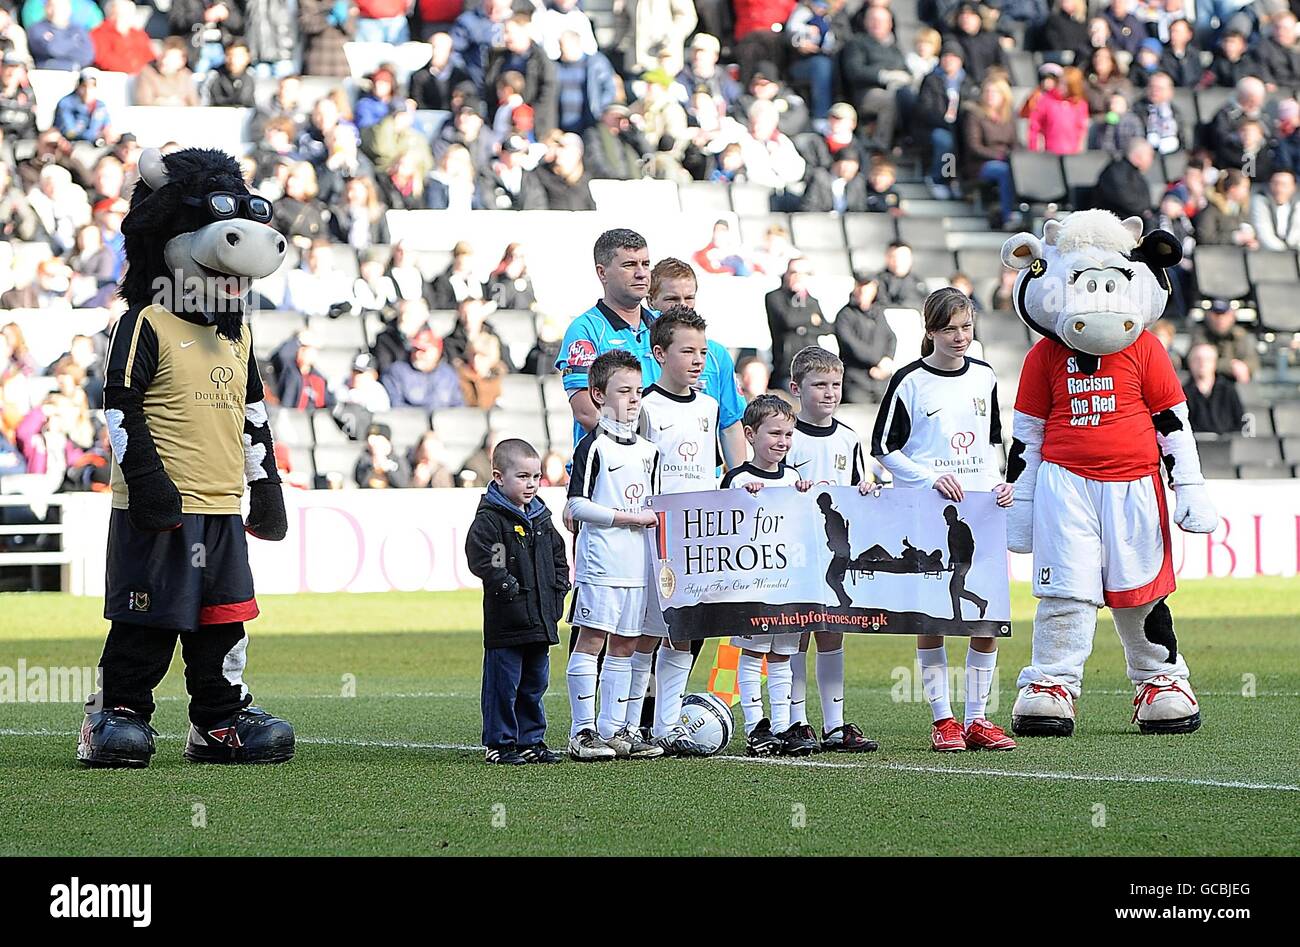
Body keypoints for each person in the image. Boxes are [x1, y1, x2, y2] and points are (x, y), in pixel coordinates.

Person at [870, 287, 1017, 752]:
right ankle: (944, 719)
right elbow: (883, 449)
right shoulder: (908, 380)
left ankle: (977, 719)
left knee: (985, 617)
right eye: (949, 328)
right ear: (930, 331)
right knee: (932, 615)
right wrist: (931, 478)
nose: (959, 337)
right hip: (927, 510)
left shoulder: (985, 376)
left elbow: (994, 440)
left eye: (966, 327)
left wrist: (1003, 482)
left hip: (982, 508)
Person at [628, 307, 723, 756]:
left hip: (697, 537)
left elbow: (710, 469)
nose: (698, 359)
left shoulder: (709, 407)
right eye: (688, 350)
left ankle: (667, 726)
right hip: (655, 534)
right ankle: (629, 724)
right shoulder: (645, 406)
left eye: (703, 351)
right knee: (646, 630)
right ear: (659, 352)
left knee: (682, 630)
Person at [564, 350, 665, 761]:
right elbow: (575, 506)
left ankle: (615, 729)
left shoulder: (649, 451)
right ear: (598, 395)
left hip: (637, 566)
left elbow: (655, 506)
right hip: (602, 563)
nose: (633, 399)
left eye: (637, 391)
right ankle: (581, 731)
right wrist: (628, 518)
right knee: (592, 641)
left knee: (626, 645)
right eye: (623, 391)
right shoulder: (594, 447)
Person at [784, 346, 879, 751]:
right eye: (819, 385)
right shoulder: (787, 436)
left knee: (833, 633)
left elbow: (863, 484)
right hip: (793, 552)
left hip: (834, 553)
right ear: (796, 388)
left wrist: (869, 487)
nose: (829, 393)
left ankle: (835, 724)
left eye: (835, 384)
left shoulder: (848, 437)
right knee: (795, 635)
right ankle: (795, 720)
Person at [722, 395, 819, 757]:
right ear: (750, 434)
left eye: (789, 434)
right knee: (752, 651)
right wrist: (742, 501)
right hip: (752, 584)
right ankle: (755, 726)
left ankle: (783, 724)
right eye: (774, 433)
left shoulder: (794, 478)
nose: (782, 441)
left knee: (782, 653)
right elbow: (721, 527)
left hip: (789, 581)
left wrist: (806, 496)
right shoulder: (737, 478)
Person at [466, 437, 570, 765]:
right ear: (498, 477)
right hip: (507, 620)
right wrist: (506, 585)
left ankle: (532, 740)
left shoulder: (540, 517)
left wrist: (558, 588)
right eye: (522, 477)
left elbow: (557, 556)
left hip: (540, 618)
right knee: (503, 684)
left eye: (535, 477)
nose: (531, 484)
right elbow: (483, 557)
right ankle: (500, 742)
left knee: (534, 684)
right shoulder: (492, 519)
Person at [646, 258, 748, 468]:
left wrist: (738, 479)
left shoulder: (716, 355)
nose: (683, 306)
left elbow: (730, 425)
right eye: (672, 298)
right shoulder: (637, 351)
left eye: (689, 298)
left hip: (704, 480)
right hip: (656, 480)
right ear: (651, 300)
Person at [961, 77, 1017, 227]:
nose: (990, 95)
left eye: (994, 92)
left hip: (1007, 160)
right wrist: (1000, 156)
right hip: (981, 163)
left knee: (1022, 168)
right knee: (1005, 171)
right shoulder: (975, 115)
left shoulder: (1009, 117)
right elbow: (974, 146)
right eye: (987, 92)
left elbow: (1016, 144)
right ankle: (1008, 217)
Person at [765, 255, 826, 391]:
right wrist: (810, 319)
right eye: (794, 272)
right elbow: (789, 320)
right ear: (786, 273)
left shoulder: (812, 301)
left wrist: (803, 326)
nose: (798, 277)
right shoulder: (774, 297)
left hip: (812, 368)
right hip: (787, 368)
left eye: (803, 274)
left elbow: (826, 327)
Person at [835, 274, 897, 403]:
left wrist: (887, 360)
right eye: (861, 287)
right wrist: (878, 361)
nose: (864, 292)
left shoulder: (878, 313)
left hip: (881, 382)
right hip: (856, 383)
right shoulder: (845, 315)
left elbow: (891, 338)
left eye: (868, 288)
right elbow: (851, 346)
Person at [381, 328, 466, 410]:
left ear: (437, 352)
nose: (418, 354)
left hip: (443, 423)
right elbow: (396, 407)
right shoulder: (396, 372)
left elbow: (458, 407)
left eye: (423, 350)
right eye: (415, 349)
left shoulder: (448, 374)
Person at [1182, 343, 1244, 436]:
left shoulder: (1228, 390)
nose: (1202, 363)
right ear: (1190, 363)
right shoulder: (1182, 393)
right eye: (1197, 359)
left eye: (1207, 360)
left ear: (1214, 363)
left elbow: (1239, 421)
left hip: (1226, 446)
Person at [1190, 300, 1258, 383]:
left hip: (1233, 383)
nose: (1220, 319)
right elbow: (1198, 361)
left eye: (1224, 315)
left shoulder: (1241, 335)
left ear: (1232, 316)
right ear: (1208, 315)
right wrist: (1231, 366)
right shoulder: (1200, 333)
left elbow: (1252, 363)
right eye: (1216, 315)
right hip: (1206, 385)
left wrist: (1242, 367)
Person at [1026, 64, 1089, 155]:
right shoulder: (1046, 100)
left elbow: (1081, 131)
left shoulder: (1080, 105)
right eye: (1060, 82)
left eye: (1065, 84)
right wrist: (1034, 150)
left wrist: (1079, 152)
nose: (1060, 86)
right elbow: (1035, 127)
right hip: (1049, 154)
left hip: (1072, 153)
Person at [1094, 138, 1156, 223]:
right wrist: (1145, 212)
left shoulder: (1135, 173)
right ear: (1138, 155)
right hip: (1113, 223)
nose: (1152, 160)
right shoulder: (1115, 172)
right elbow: (1126, 201)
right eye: (1150, 155)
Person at [1250, 170, 1300, 251]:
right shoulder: (1260, 200)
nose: (1279, 189)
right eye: (1275, 184)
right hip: (1267, 254)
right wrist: (1283, 252)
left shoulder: (1297, 204)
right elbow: (1264, 234)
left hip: (1293, 253)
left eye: (1284, 185)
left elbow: (1297, 233)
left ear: (1293, 187)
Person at [354, 421, 411, 489]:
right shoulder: (364, 459)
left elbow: (402, 483)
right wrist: (372, 467)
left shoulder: (397, 460)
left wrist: (386, 467)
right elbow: (360, 480)